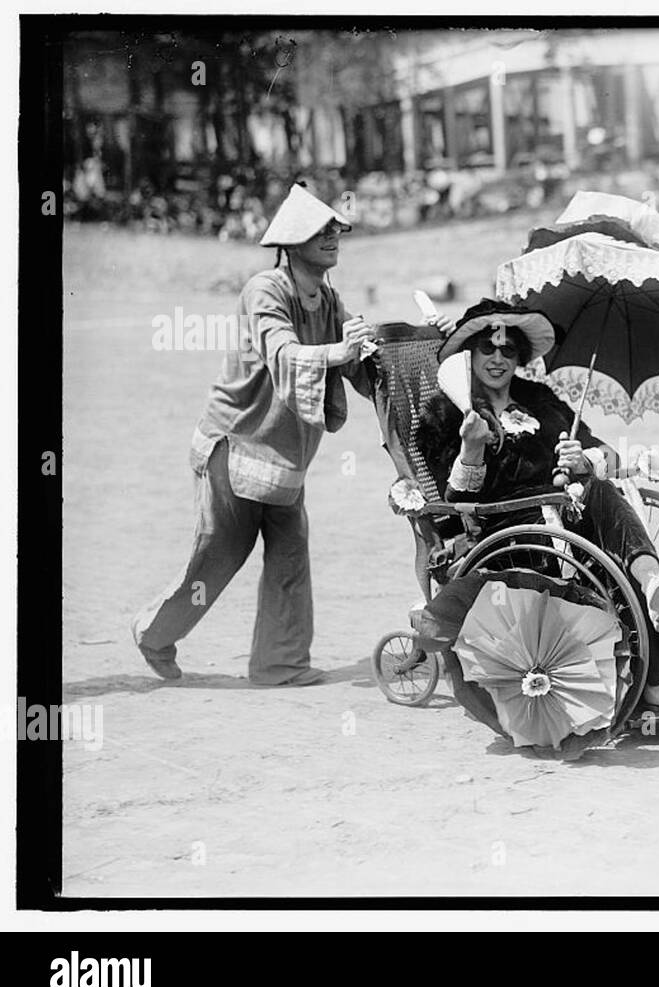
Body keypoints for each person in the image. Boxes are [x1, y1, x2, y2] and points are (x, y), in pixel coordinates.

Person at [131, 182, 453, 685]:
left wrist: (433, 343)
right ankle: (153, 634)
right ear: (291, 243)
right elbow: (282, 354)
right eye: (320, 232)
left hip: (282, 457)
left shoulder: (327, 298)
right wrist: (339, 352)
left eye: (335, 230)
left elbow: (365, 364)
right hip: (236, 444)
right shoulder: (265, 291)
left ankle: (279, 664)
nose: (332, 238)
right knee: (217, 555)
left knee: (290, 556)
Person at [414, 299, 659, 719]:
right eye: (488, 348)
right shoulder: (445, 412)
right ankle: (657, 681)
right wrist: (471, 446)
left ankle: (653, 586)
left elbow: (609, 456)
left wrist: (584, 459)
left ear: (520, 357)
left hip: (565, 511)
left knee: (598, 489)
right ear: (469, 354)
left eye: (509, 350)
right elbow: (453, 509)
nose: (499, 358)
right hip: (508, 530)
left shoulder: (539, 399)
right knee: (595, 551)